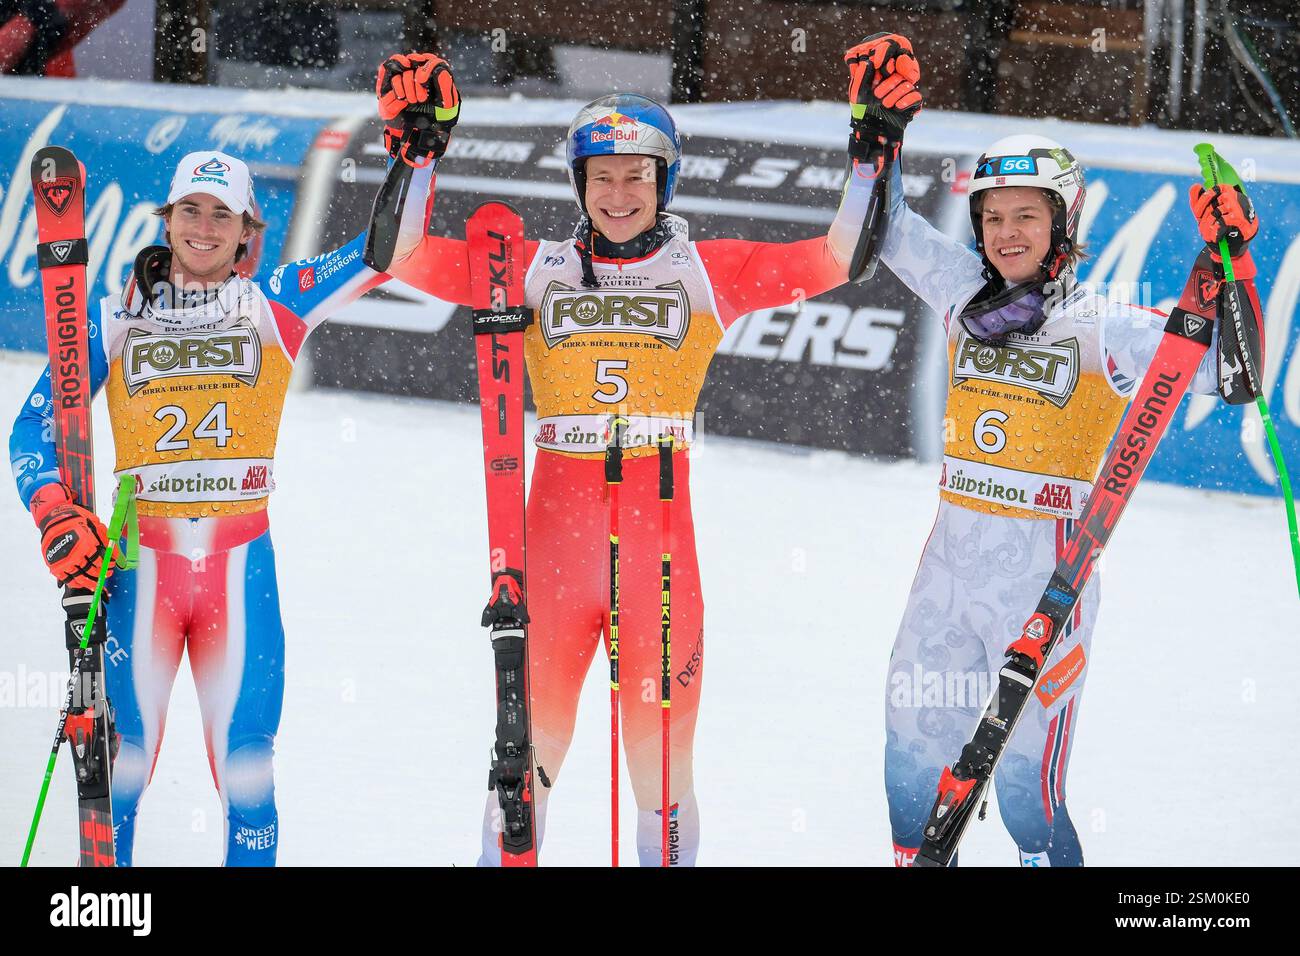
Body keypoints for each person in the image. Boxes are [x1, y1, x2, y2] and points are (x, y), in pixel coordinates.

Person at [377, 43, 898, 865]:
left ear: (665, 183)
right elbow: (401, 256)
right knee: (524, 759)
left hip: (658, 550)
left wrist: (872, 151)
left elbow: (837, 259)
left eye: (637, 175)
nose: (619, 194)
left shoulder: (705, 270)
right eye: (602, 176)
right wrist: (415, 156)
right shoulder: (535, 270)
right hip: (552, 547)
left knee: (661, 772)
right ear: (579, 185)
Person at [8, 53, 461, 865]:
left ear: (249, 230)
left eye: (223, 214)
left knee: (248, 771)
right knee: (120, 772)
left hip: (239, 572)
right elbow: (33, 430)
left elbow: (383, 255)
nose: (204, 227)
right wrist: (54, 519)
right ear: (169, 217)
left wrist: (415, 159)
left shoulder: (276, 303)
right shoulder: (117, 318)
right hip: (136, 569)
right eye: (190, 209)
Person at [863, 36, 1264, 866]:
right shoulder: (957, 289)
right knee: (908, 773)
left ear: (1063, 223)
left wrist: (1238, 267)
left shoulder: (1102, 329)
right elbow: (883, 230)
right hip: (945, 578)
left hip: (1045, 583)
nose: (1006, 234)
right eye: (992, 216)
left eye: (1027, 215)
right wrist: (877, 133)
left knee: (1025, 802)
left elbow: (1234, 376)